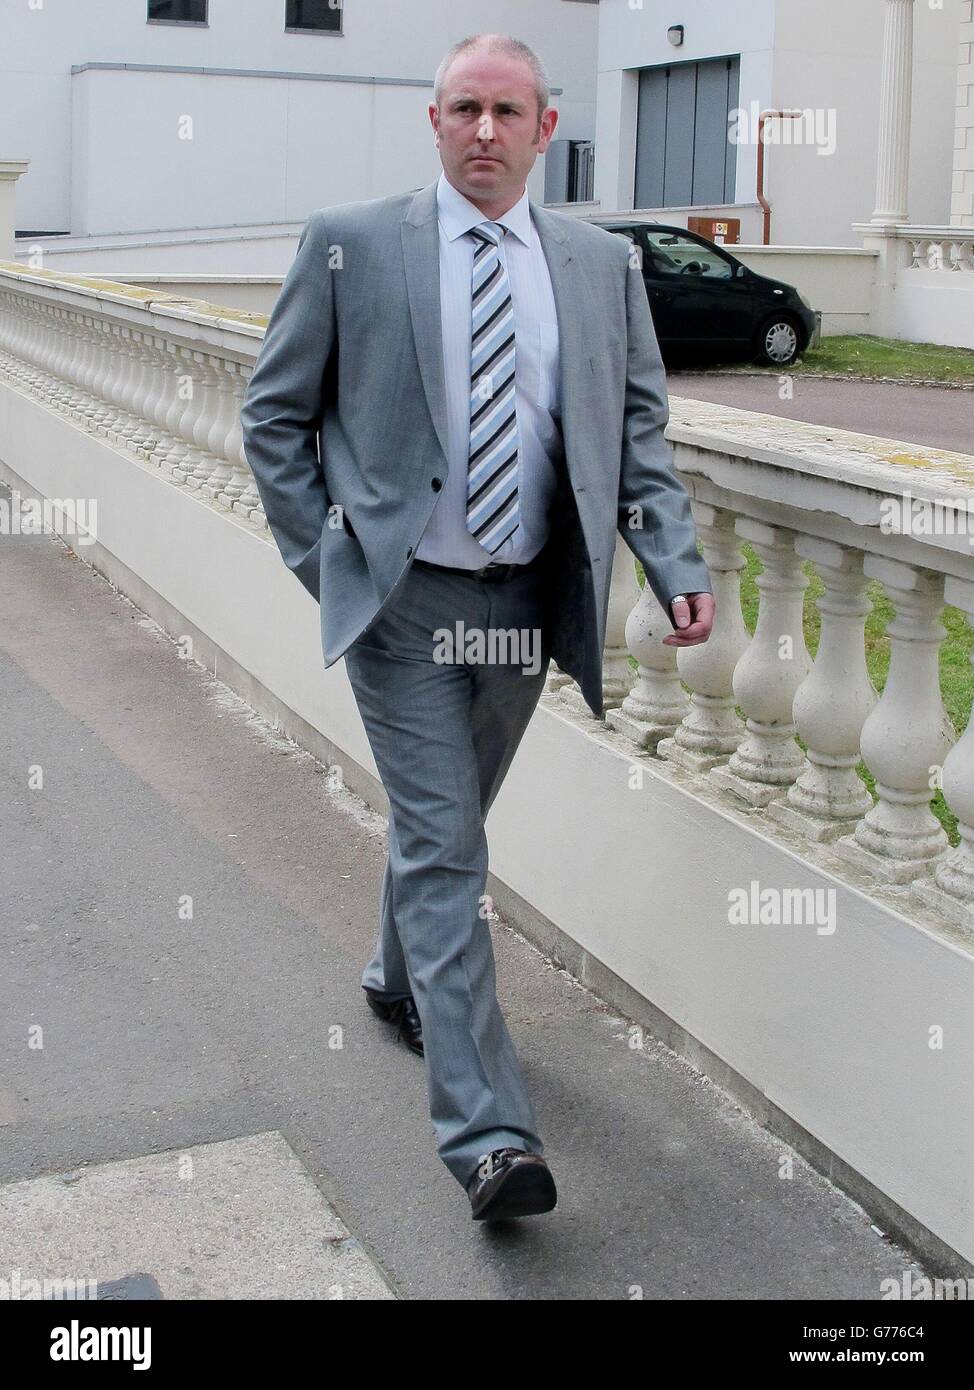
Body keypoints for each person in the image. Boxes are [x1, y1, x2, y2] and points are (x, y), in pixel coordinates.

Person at [240, 32, 715, 1222]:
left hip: (523, 603)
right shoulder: (352, 243)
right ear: (434, 120)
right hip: (407, 605)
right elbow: (273, 417)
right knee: (449, 847)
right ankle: (490, 1137)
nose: (485, 132)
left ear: (546, 129)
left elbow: (636, 430)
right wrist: (332, 563)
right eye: (463, 108)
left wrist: (671, 556)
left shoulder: (598, 265)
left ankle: (396, 979)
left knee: (449, 825)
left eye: (508, 111)